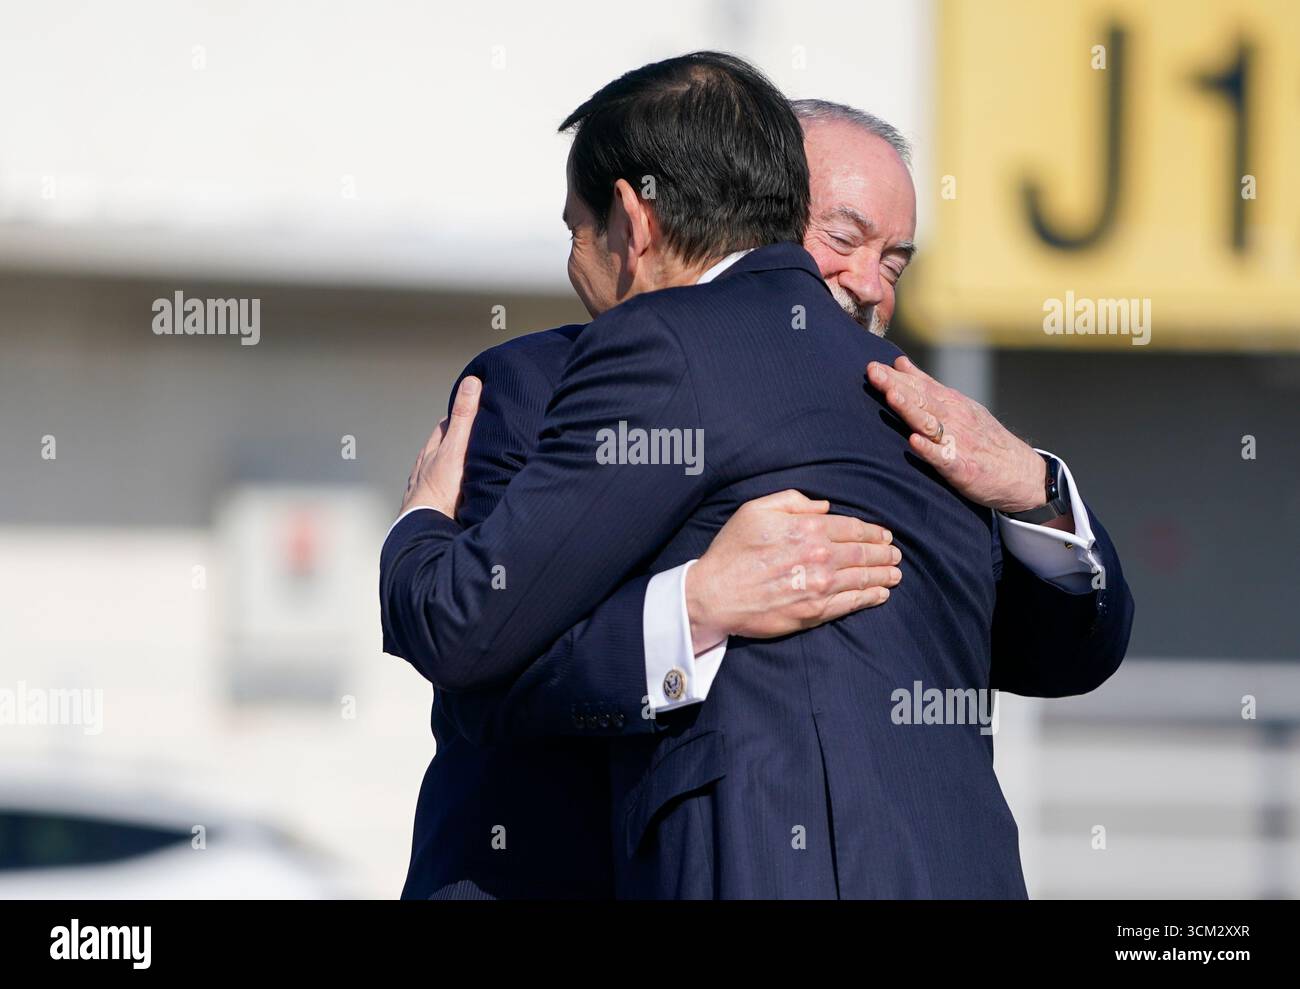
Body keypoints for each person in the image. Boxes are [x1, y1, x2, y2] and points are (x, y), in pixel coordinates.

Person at [383, 56, 1133, 898]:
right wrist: (691, 609)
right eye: (842, 240)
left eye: (896, 262)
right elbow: (490, 680)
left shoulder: (916, 415)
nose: (864, 283)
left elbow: (1048, 653)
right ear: (760, 210)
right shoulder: (543, 383)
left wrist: (1034, 486)